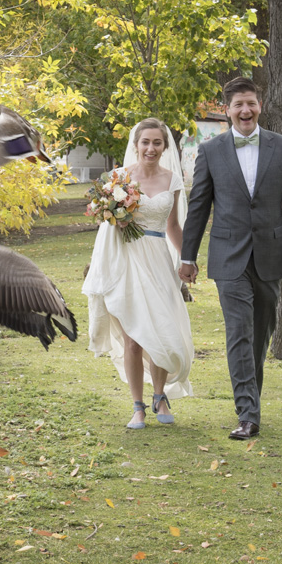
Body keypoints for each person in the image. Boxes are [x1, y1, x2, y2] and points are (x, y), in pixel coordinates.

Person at [179, 77, 282, 440]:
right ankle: (248, 414)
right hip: (228, 256)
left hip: (271, 255)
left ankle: (251, 402)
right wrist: (188, 256)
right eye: (238, 105)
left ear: (260, 106)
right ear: (227, 110)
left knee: (259, 336)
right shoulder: (210, 151)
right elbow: (199, 207)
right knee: (239, 333)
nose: (245, 110)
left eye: (251, 103)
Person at [83, 118, 195, 429]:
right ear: (136, 145)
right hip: (125, 262)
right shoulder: (118, 179)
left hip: (158, 260)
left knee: (162, 330)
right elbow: (104, 221)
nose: (151, 148)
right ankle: (138, 406)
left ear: (165, 146)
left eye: (157, 142)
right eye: (145, 142)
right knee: (133, 338)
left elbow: (173, 226)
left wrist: (188, 259)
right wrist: (114, 217)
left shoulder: (172, 180)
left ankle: (160, 396)